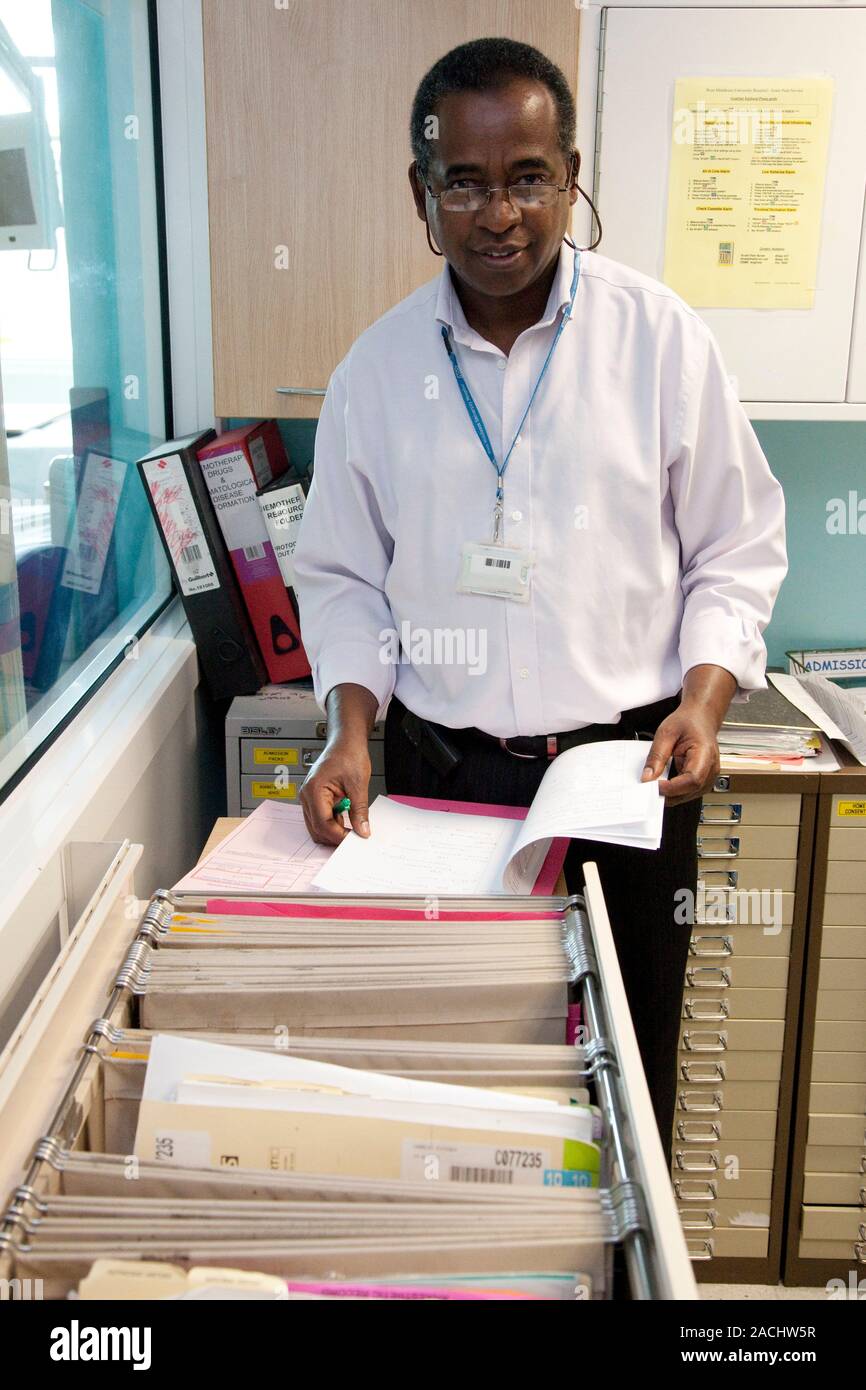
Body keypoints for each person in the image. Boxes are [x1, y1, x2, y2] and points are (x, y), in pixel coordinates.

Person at [292, 37, 787, 1160]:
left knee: (620, 1081)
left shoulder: (659, 341)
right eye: (461, 180)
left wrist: (702, 705)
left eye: (526, 176)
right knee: (451, 1082)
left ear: (571, 177)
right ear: (422, 192)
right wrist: (347, 730)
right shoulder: (375, 374)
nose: (496, 212)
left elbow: (737, 543)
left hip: (626, 780)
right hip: (438, 784)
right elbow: (339, 578)